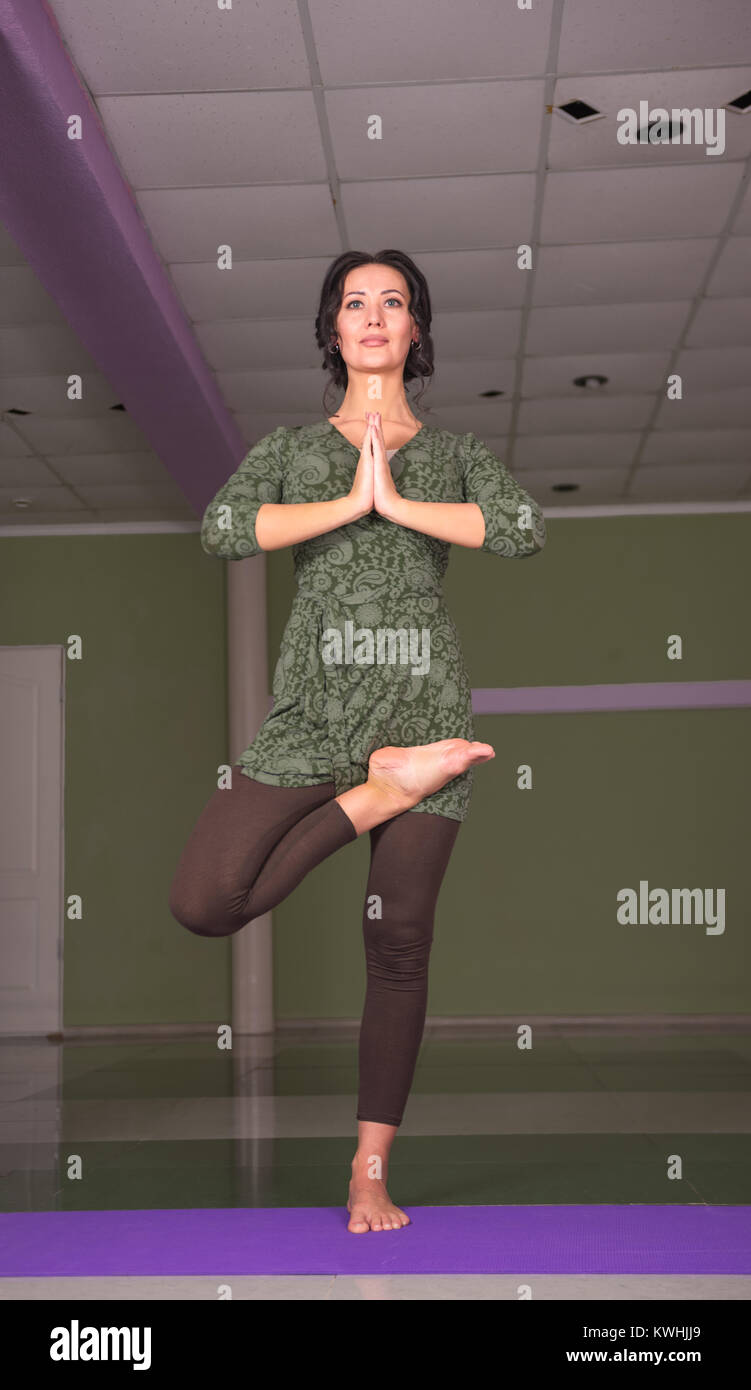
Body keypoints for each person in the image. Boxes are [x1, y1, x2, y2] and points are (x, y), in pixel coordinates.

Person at [169, 249, 546, 1233]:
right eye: (353, 301)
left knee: (399, 943)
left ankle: (369, 1171)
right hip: (311, 709)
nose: (373, 314)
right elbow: (220, 528)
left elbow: (520, 528)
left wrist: (396, 502)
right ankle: (376, 795)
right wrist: (345, 500)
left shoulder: (454, 452)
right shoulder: (292, 448)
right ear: (332, 330)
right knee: (206, 900)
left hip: (422, 704)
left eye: (393, 302)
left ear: (416, 329)